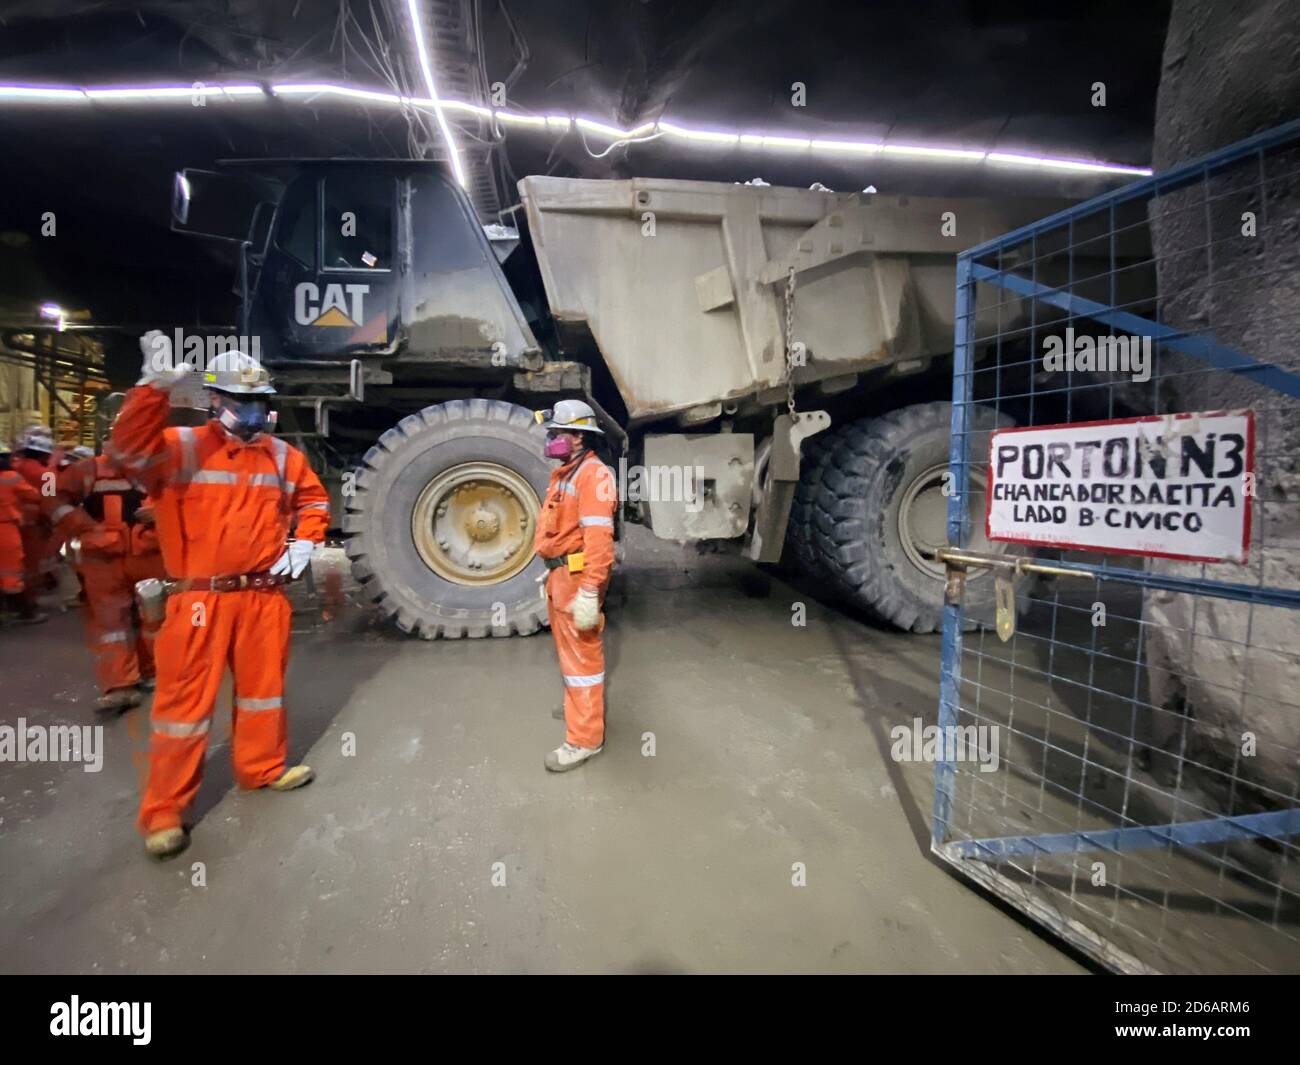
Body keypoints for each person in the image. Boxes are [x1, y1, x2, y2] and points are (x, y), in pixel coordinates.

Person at [108, 330, 330, 858]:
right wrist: (151, 391)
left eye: (260, 402)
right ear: (215, 401)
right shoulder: (180, 448)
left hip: (263, 596)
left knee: (263, 693)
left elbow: (314, 502)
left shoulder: (281, 457)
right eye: (242, 401)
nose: (253, 412)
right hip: (198, 599)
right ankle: (163, 812)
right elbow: (125, 453)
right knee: (183, 708)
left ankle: (261, 767)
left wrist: (305, 543)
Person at [45, 447, 166, 711]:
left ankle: (154, 671)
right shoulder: (90, 469)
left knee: (154, 618)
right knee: (112, 625)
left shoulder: (165, 464)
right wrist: (83, 526)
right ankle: (121, 684)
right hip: (104, 558)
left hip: (149, 552)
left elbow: (191, 501)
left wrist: (161, 514)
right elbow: (50, 495)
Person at [534, 399, 618, 772]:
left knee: (583, 660)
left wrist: (589, 591)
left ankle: (584, 739)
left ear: (579, 437)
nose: (552, 439)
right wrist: (551, 570)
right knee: (569, 656)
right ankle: (578, 706)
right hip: (562, 576)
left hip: (578, 579)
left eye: (558, 433)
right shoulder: (568, 472)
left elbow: (599, 542)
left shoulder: (593, 476)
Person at [10, 429, 57, 623]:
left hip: (11, 522)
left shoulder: (14, 467)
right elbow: (51, 500)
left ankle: (12, 603)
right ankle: (28, 607)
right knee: (31, 566)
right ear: (43, 454)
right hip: (35, 524)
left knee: (11, 565)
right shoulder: (47, 474)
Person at [0, 444, 43, 622]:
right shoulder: (45, 472)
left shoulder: (18, 470)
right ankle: (23, 611)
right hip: (14, 528)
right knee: (14, 572)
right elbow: (42, 495)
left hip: (17, 526)